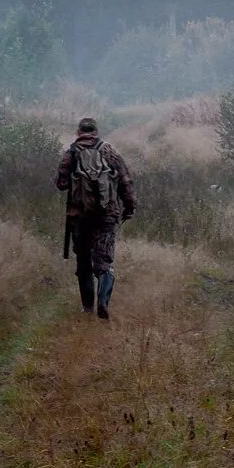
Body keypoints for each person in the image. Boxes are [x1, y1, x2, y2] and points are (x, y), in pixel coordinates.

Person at [55, 117, 136, 319]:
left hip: (79, 218)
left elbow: (61, 184)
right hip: (106, 215)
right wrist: (129, 207)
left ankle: (88, 308)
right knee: (104, 262)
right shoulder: (109, 151)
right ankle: (103, 301)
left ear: (78, 132)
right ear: (96, 132)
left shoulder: (71, 152)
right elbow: (126, 181)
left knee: (83, 261)